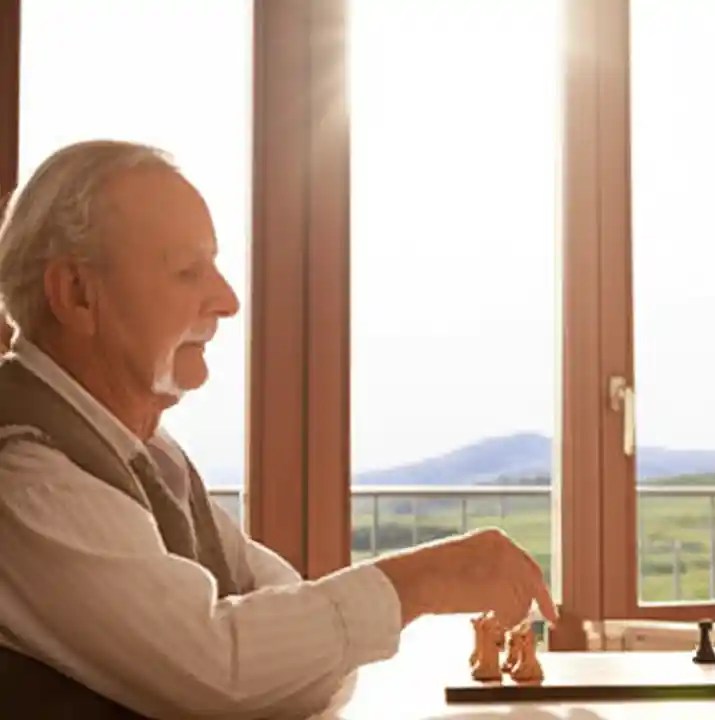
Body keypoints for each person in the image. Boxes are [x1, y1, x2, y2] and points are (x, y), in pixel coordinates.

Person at [0, 140, 558, 719]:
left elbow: (300, 659)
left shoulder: (149, 456)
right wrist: (425, 579)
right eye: (188, 271)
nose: (228, 300)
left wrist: (291, 649)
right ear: (76, 294)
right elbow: (225, 673)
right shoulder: (28, 473)